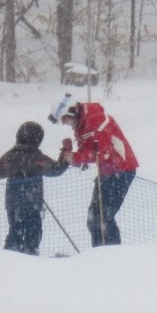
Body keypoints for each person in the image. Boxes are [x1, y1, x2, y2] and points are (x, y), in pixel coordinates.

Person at [51, 95, 139, 247]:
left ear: (73, 112)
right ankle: (98, 254)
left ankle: (112, 254)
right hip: (107, 172)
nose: (69, 125)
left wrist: (78, 158)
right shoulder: (81, 124)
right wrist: (77, 158)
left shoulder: (96, 120)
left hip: (121, 170)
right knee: (94, 219)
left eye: (67, 120)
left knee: (103, 218)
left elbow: (103, 152)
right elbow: (88, 149)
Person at [0, 121, 69, 255]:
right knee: (33, 232)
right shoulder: (37, 158)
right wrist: (66, 152)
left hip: (13, 203)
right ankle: (30, 256)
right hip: (32, 202)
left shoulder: (11, 156)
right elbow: (57, 169)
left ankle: (9, 256)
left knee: (15, 230)